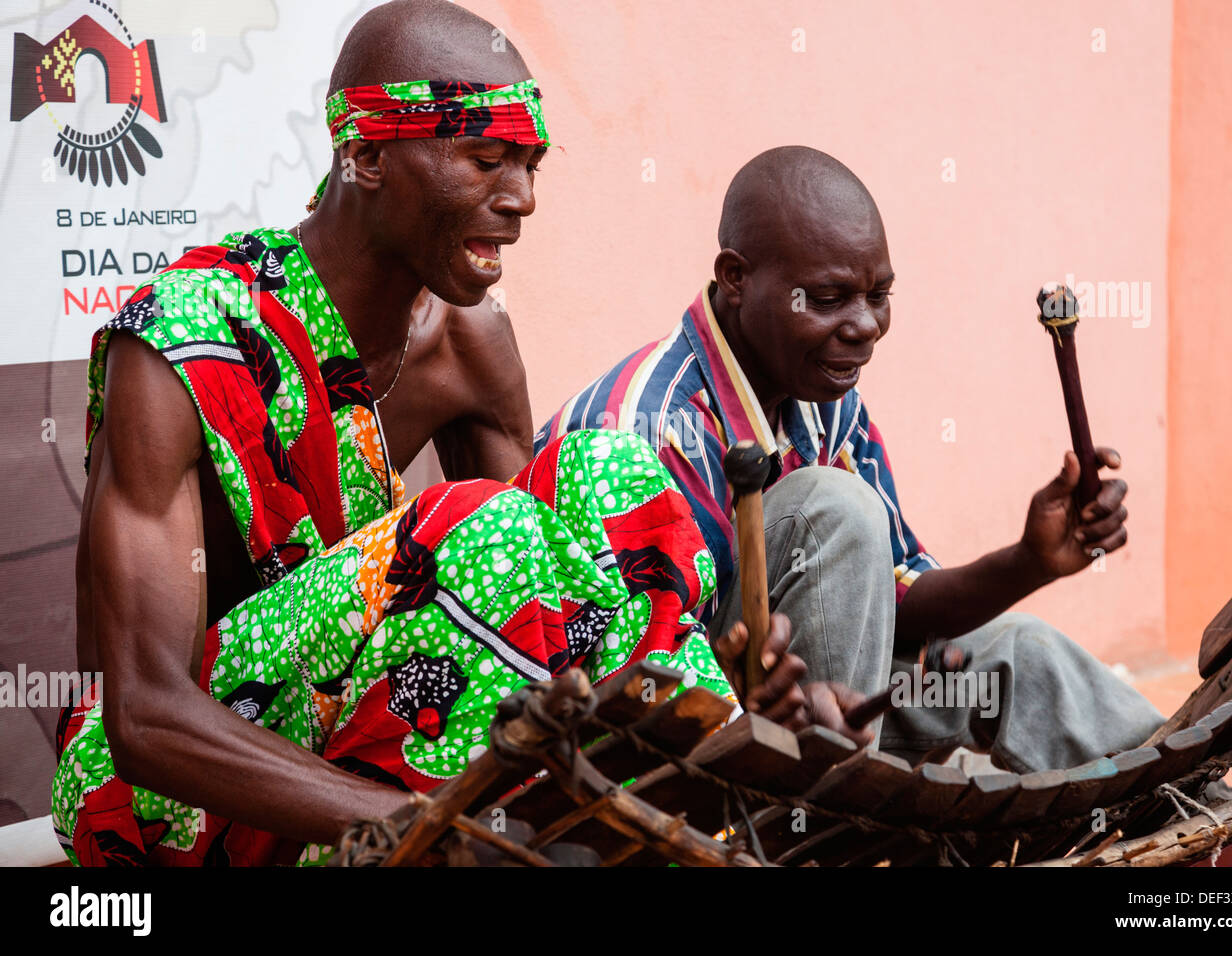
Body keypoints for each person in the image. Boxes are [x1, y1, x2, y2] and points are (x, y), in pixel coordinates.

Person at [54, 0, 822, 867]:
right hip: (161, 795)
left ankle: (707, 745)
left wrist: (699, 678)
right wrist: (424, 830)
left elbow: (553, 614)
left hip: (375, 746)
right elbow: (144, 716)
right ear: (366, 154)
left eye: (530, 165)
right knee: (473, 524)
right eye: (486, 159)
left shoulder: (471, 342)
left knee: (603, 471)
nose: (522, 199)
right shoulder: (183, 340)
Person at [537, 145, 1167, 774]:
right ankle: (828, 808)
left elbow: (891, 598)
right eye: (831, 297)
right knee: (831, 508)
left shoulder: (826, 399)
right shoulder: (642, 432)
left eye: (878, 294)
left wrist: (1029, 561)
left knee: (1017, 658)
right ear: (736, 278)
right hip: (680, 751)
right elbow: (634, 683)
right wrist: (761, 698)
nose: (865, 325)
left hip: (823, 705)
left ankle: (1199, 808)